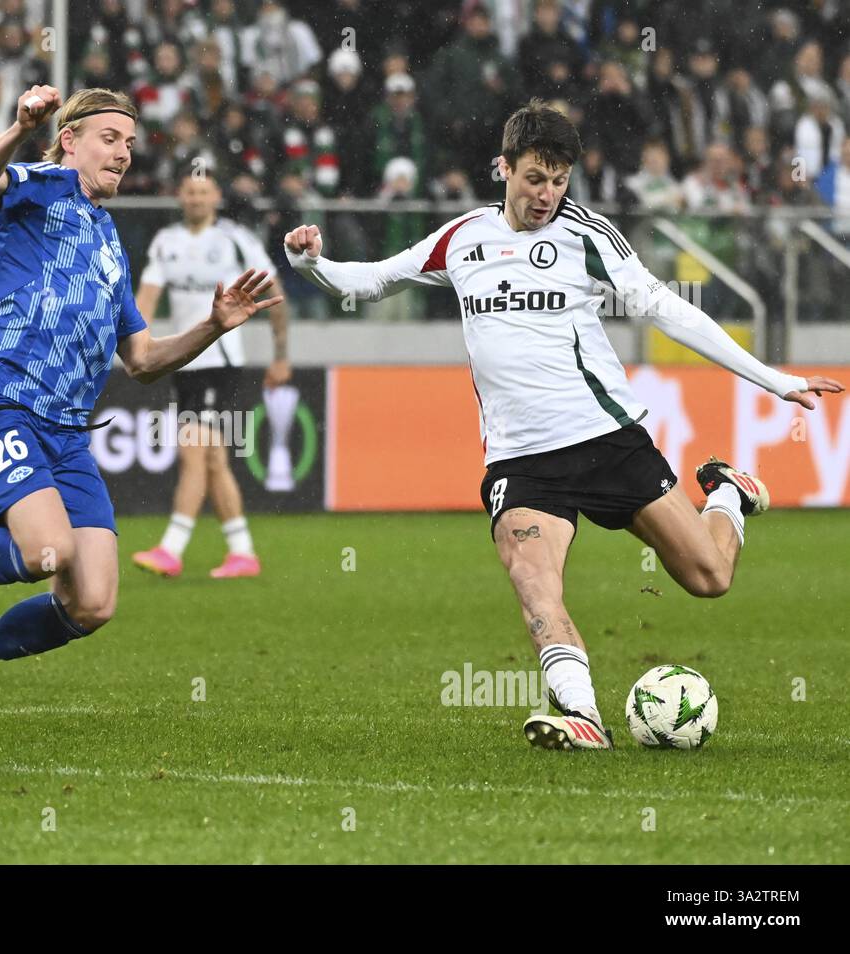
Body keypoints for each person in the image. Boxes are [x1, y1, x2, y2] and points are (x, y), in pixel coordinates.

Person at [283, 99, 843, 750]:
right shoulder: (462, 238)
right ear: (504, 168)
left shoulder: (587, 236)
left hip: (607, 441)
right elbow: (374, 280)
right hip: (522, 463)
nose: (547, 194)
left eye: (559, 180)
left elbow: (670, 312)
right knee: (533, 582)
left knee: (708, 578)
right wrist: (311, 265)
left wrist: (775, 378)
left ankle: (726, 493)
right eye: (534, 178)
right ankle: (581, 714)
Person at [0, 86, 282, 737]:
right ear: (69, 141)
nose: (124, 152)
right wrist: (18, 128)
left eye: (130, 142)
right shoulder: (35, 187)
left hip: (67, 436)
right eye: (110, 137)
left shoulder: (108, 244)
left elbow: (145, 360)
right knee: (47, 550)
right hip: (3, 404)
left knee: (92, 602)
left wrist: (214, 325)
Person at [132, 170, 291, 579]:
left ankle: (172, 548)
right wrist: (136, 346)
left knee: (194, 452)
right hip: (183, 361)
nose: (197, 198)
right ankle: (242, 552)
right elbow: (145, 300)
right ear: (180, 196)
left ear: (216, 196)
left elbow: (275, 294)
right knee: (215, 459)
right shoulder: (167, 242)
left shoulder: (236, 239)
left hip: (219, 362)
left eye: (204, 191)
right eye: (190, 191)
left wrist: (281, 355)